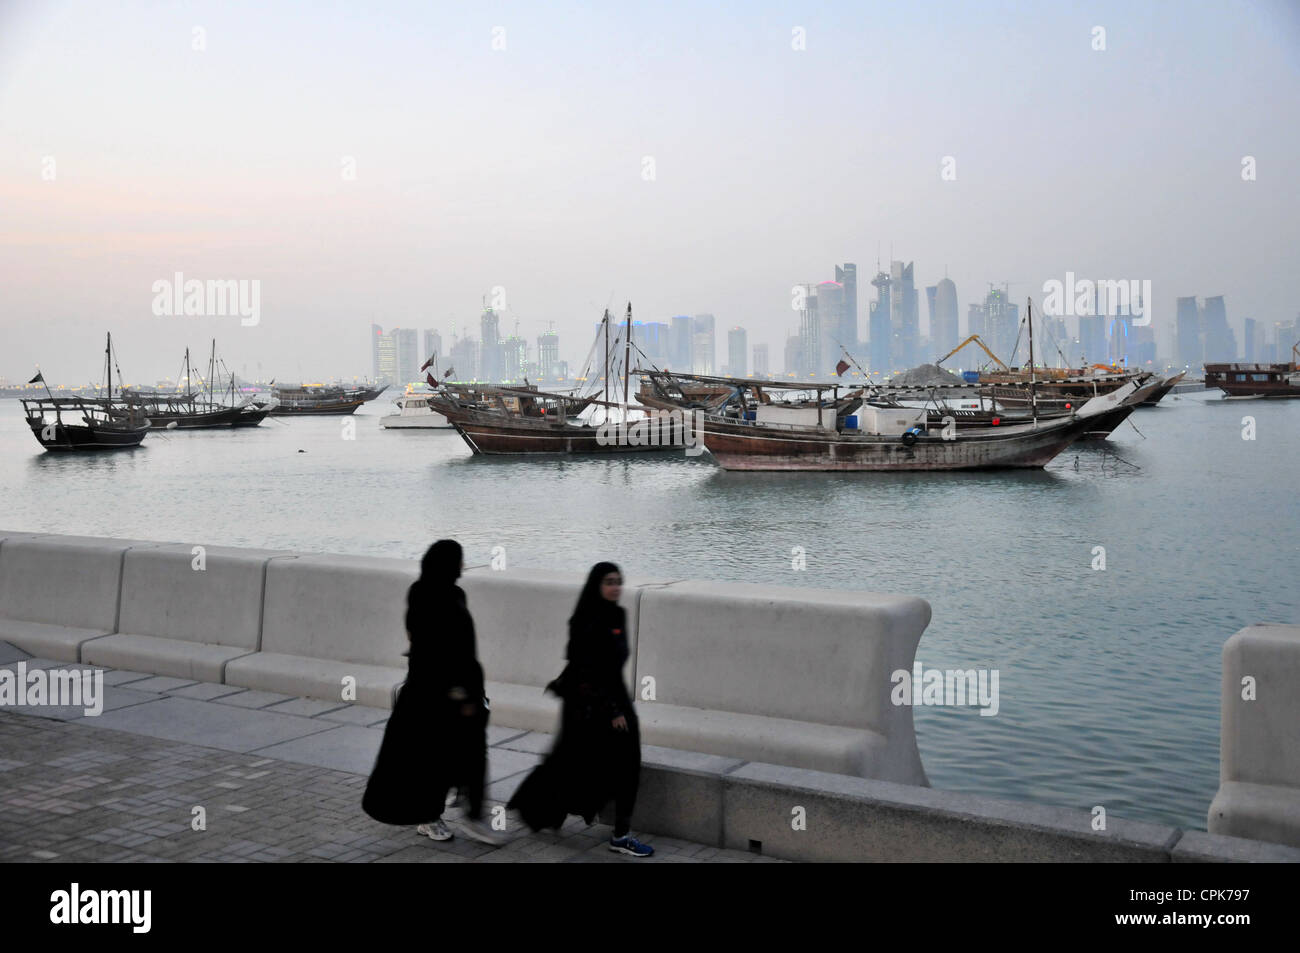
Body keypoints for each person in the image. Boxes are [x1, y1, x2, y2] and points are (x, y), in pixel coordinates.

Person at [362, 539, 504, 845]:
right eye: (459, 560)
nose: (463, 566)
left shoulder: (451, 593)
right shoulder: (427, 595)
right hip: (434, 693)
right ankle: (439, 815)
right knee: (431, 755)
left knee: (460, 751)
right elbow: (432, 649)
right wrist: (459, 694)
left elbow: (437, 641)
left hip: (456, 687)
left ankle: (465, 809)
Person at [508, 562, 653, 857]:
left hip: (614, 701)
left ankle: (551, 812)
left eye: (618, 581)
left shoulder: (618, 615)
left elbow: (611, 668)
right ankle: (620, 836)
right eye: (608, 581)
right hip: (594, 707)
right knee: (607, 765)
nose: (615, 587)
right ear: (596, 585)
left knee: (588, 764)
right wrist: (613, 710)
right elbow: (587, 669)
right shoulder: (585, 619)